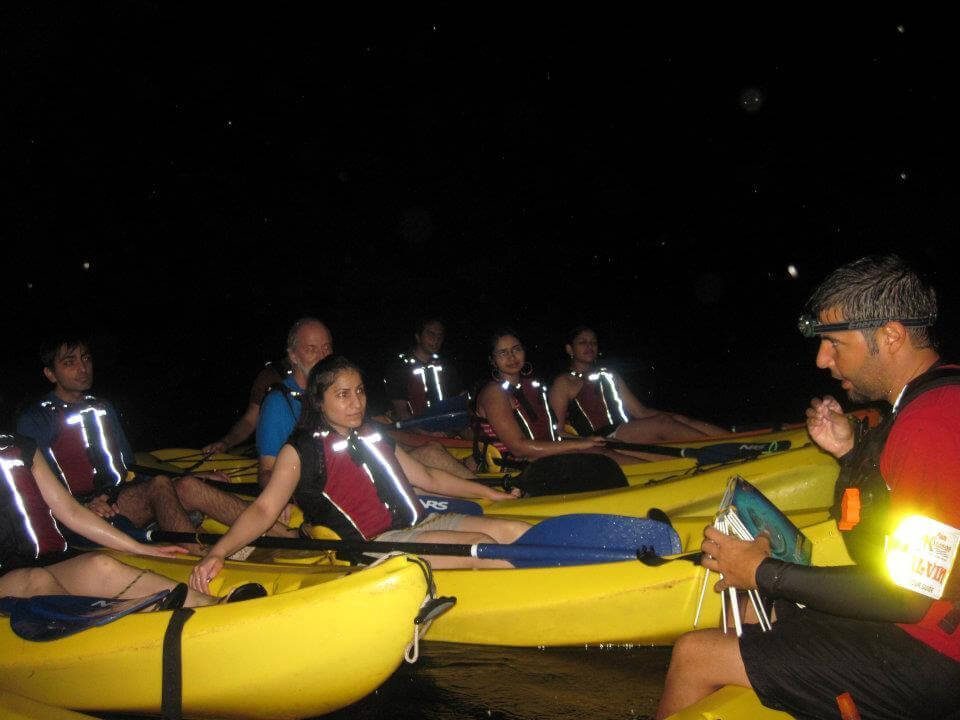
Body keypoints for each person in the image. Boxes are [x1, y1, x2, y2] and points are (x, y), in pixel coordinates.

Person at [656, 254, 960, 720]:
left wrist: (764, 570)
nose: (822, 360)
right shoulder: (929, 396)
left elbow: (907, 595)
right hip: (923, 623)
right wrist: (850, 449)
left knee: (696, 653)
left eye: (835, 343)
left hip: (937, 651)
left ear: (891, 336)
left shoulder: (931, 424)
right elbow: (891, 509)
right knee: (755, 610)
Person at [188, 355, 529, 591]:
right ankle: (527, 599)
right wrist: (219, 552)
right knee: (482, 546)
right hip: (376, 546)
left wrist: (487, 493)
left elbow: (426, 476)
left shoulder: (370, 434)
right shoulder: (301, 451)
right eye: (343, 395)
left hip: (422, 524)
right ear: (319, 402)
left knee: (513, 529)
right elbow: (264, 509)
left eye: (360, 392)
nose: (356, 403)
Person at [15, 334, 295, 549]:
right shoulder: (37, 419)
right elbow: (35, 485)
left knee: (188, 486)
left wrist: (189, 476)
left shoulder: (102, 407)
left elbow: (127, 466)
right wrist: (85, 506)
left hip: (119, 496)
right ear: (50, 374)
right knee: (159, 486)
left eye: (86, 359)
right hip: (80, 511)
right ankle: (197, 560)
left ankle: (290, 538)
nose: (82, 368)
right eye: (69, 362)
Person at [0, 432, 251, 607]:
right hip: (9, 577)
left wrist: (139, 548)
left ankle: (213, 605)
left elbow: (72, 512)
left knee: (100, 564)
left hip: (45, 562)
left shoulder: (19, 446)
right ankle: (92, 638)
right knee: (37, 580)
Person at [474, 328, 648, 467]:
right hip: (522, 466)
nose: (512, 357)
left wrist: (586, 440)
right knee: (601, 456)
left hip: (547, 454)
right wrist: (580, 445)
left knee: (605, 447)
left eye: (516, 349)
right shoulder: (494, 393)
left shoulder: (530, 386)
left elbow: (552, 433)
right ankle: (651, 477)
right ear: (492, 360)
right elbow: (519, 449)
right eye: (503, 353)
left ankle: (658, 471)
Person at [548, 326, 727, 444]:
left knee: (676, 419)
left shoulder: (609, 375)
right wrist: (590, 443)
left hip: (626, 429)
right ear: (570, 349)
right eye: (583, 342)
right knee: (662, 423)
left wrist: (675, 416)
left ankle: (731, 440)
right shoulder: (563, 382)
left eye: (593, 342)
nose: (590, 347)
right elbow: (556, 430)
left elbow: (639, 412)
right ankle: (719, 450)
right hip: (603, 437)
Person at [255, 317, 334, 488]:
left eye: (326, 348)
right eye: (311, 350)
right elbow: (266, 472)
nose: (322, 357)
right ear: (293, 356)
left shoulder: (338, 395)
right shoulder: (278, 403)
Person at [383, 317, 469, 428]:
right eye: (431, 334)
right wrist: (423, 432)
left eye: (440, 336)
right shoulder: (399, 368)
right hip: (413, 431)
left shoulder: (446, 366)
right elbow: (401, 412)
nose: (436, 339)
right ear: (418, 337)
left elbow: (461, 399)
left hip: (447, 428)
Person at [202, 356, 290, 455]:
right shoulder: (271, 376)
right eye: (308, 348)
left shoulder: (310, 379)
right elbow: (249, 421)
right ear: (291, 351)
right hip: (275, 454)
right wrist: (226, 442)